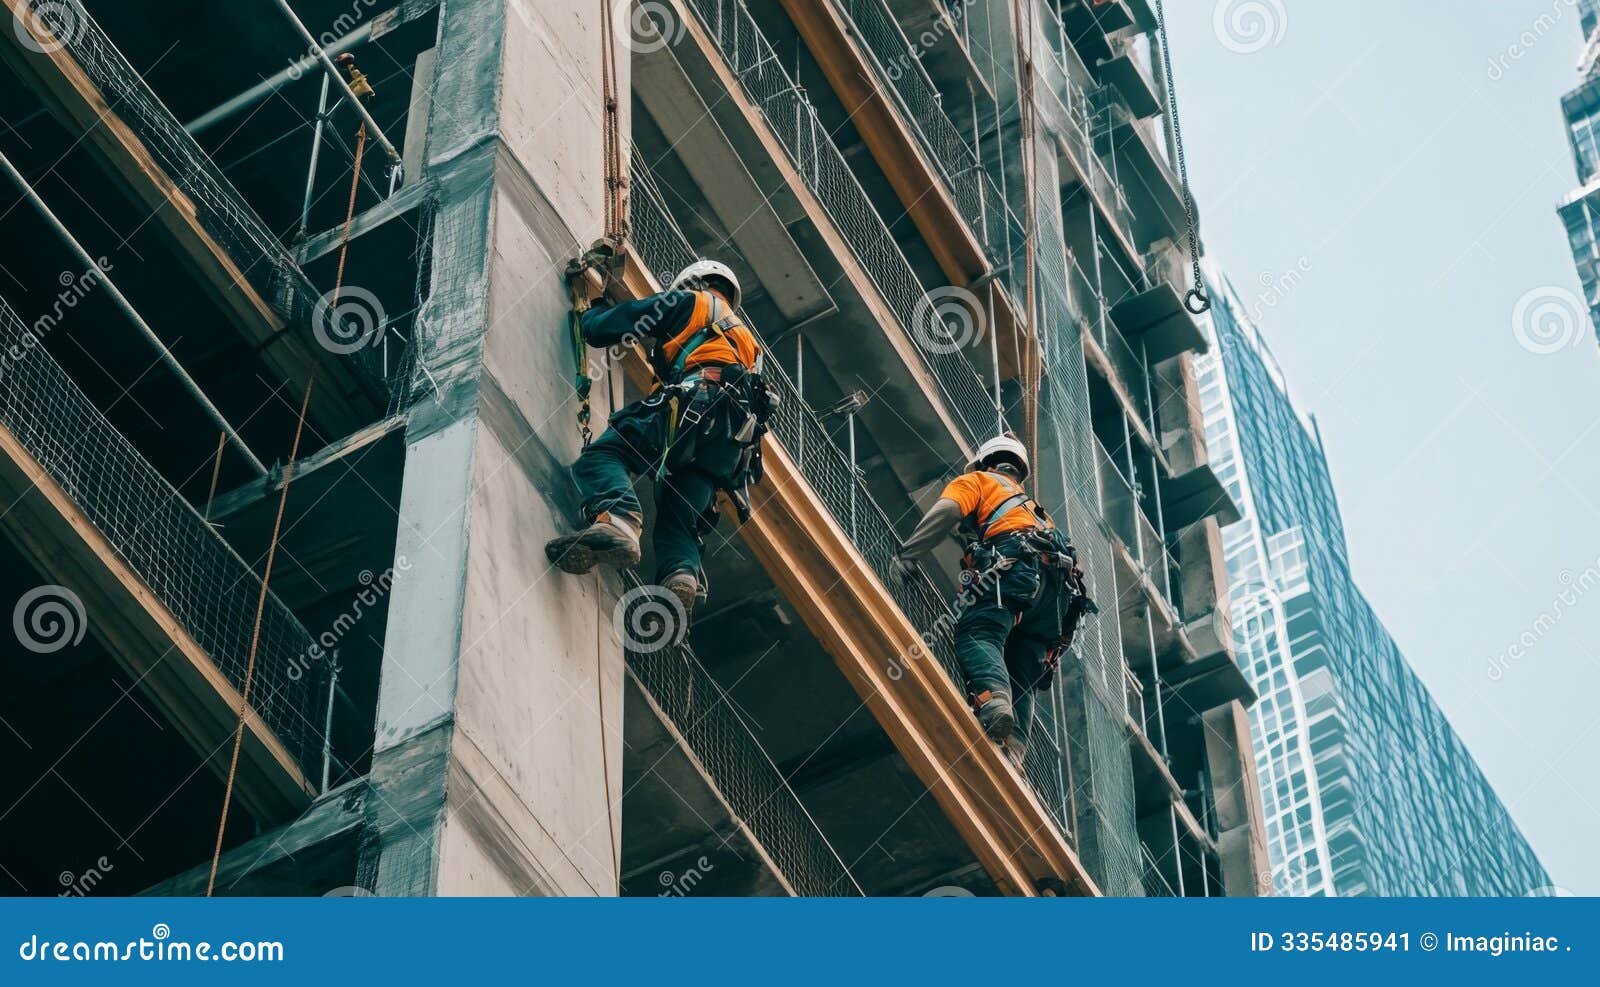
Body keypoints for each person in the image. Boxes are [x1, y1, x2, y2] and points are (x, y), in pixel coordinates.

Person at [545, 259, 775, 618]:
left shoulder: (692, 303)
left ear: (694, 283)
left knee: (605, 454)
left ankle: (619, 519)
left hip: (696, 404)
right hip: (726, 447)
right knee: (678, 511)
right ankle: (681, 574)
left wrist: (590, 310)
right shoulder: (748, 347)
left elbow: (614, 325)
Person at [893, 435, 1092, 765]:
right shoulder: (1038, 513)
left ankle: (994, 701)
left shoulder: (979, 480)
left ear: (987, 462)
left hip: (1017, 570)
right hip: (1057, 599)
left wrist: (908, 554)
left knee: (977, 633)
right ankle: (1015, 748)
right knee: (1022, 665)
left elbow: (947, 511)